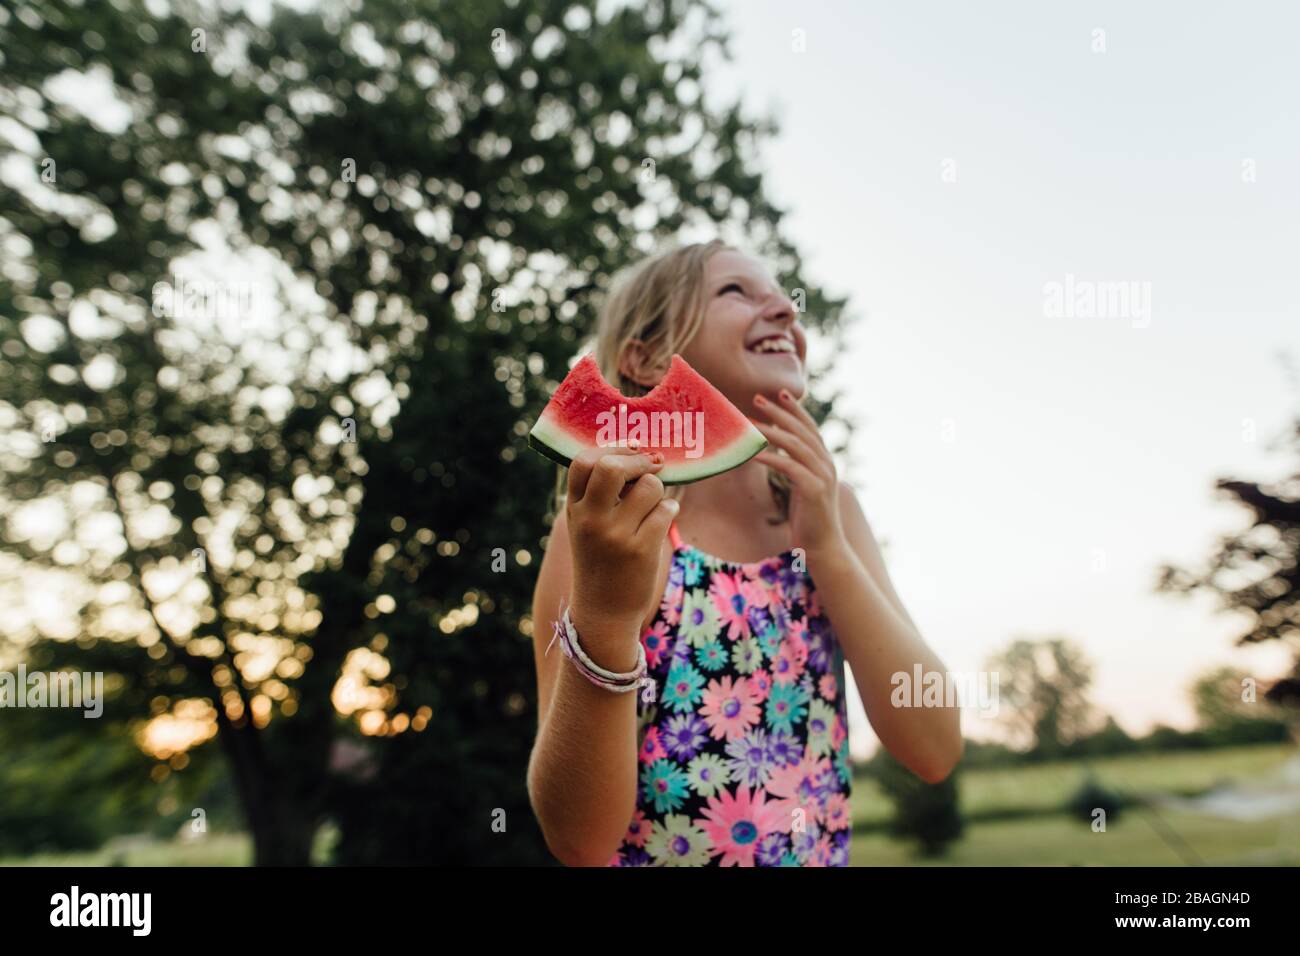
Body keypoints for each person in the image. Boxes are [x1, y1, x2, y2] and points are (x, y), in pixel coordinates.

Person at [527, 239, 962, 866]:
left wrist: (828, 550)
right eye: (737, 291)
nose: (786, 308)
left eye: (782, 293)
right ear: (645, 358)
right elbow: (578, 840)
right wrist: (606, 616)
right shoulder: (610, 531)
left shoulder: (830, 513)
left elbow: (935, 747)